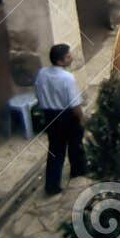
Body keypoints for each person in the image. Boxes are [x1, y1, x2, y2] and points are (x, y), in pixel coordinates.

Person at [35, 44, 86, 196]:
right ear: (60, 61)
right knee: (75, 143)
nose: (71, 58)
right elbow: (74, 103)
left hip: (50, 115)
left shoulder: (42, 73)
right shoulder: (67, 78)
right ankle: (78, 170)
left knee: (55, 150)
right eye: (68, 56)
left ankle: (52, 185)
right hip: (67, 115)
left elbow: (38, 92)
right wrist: (81, 118)